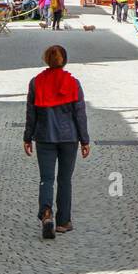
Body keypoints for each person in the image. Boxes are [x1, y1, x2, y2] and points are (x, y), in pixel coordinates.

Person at [23, 45, 90, 238]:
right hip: (69, 138)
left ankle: (46, 214)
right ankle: (63, 222)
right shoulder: (73, 83)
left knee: (46, 179)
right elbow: (80, 115)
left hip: (44, 137)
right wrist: (84, 140)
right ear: (65, 60)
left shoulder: (36, 83)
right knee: (64, 180)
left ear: (46, 60)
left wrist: (27, 137)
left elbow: (31, 114)